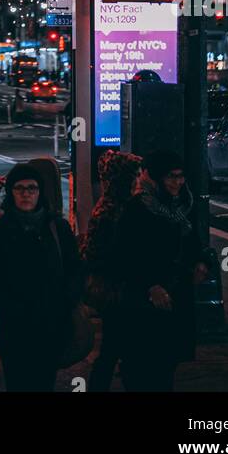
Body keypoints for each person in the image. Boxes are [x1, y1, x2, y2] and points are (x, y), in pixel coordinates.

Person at [0, 163, 84, 392]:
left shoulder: (58, 228)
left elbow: (75, 269)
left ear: (40, 192)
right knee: (18, 381)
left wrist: (66, 301)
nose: (26, 194)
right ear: (11, 192)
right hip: (14, 326)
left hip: (51, 322)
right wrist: (9, 304)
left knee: (44, 381)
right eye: (19, 188)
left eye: (32, 188)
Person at [116, 149, 209, 392]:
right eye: (171, 177)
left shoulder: (185, 205)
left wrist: (200, 263)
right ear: (157, 177)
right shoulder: (138, 209)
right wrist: (150, 285)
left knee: (167, 365)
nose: (177, 182)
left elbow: (195, 244)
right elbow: (125, 256)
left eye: (180, 176)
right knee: (143, 366)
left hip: (177, 292)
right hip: (145, 300)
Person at [79, 150, 142, 391]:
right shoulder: (112, 211)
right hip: (116, 291)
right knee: (115, 349)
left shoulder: (117, 205)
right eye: (134, 175)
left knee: (115, 348)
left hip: (116, 289)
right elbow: (96, 255)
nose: (138, 180)